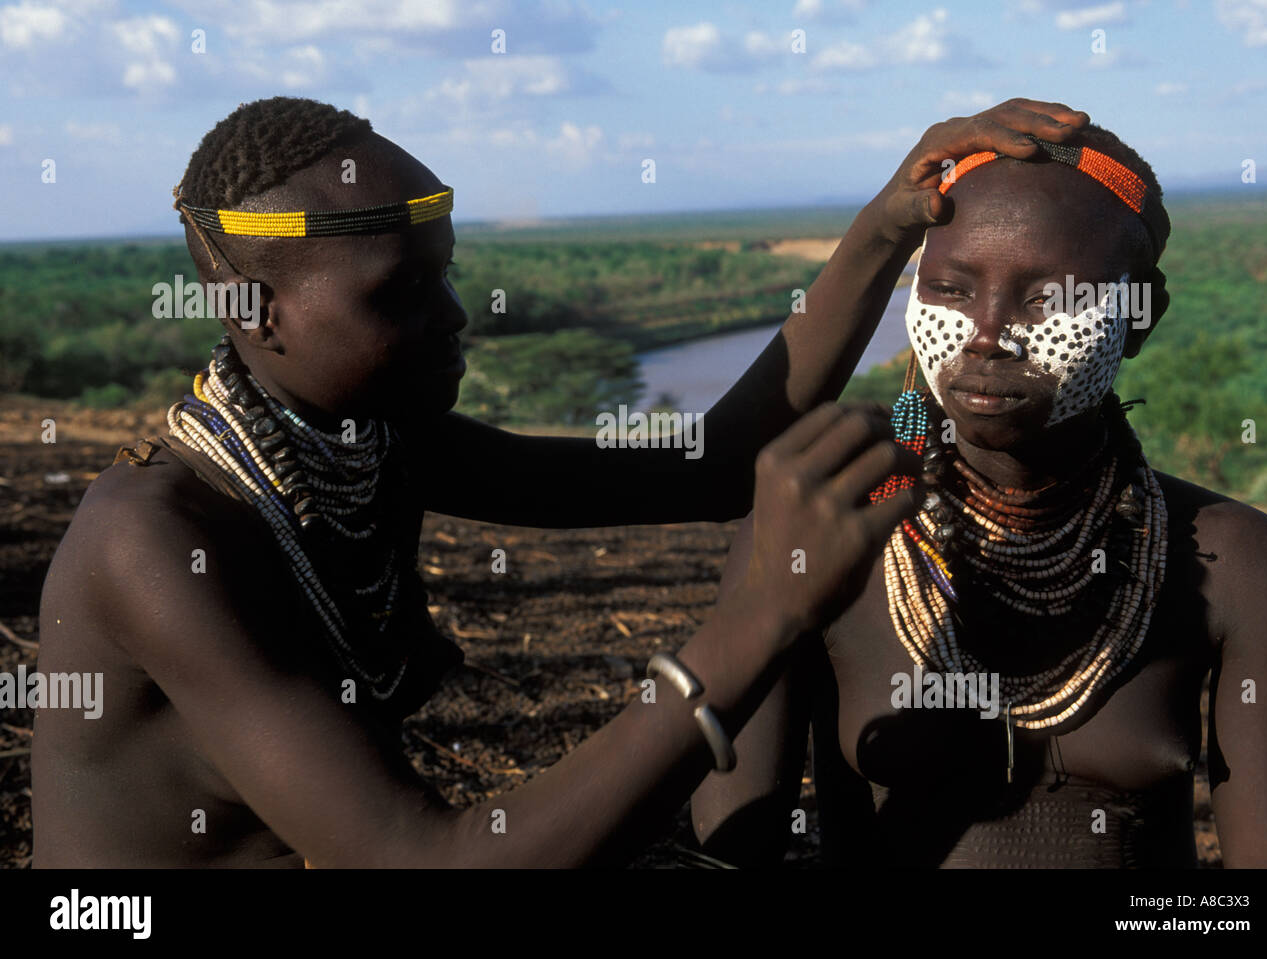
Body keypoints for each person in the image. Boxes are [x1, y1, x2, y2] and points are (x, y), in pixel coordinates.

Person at [32, 96, 1090, 867]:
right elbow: (421, 863)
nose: (452, 317)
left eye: (444, 271)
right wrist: (756, 616)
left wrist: (885, 224)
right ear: (257, 309)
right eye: (401, 292)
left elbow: (713, 464)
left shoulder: (371, 441)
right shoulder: (156, 539)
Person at [691, 120, 1267, 869]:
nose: (986, 334)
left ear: (1141, 314)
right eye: (948, 288)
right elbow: (729, 857)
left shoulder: (1242, 564)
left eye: (1045, 299)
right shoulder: (818, 526)